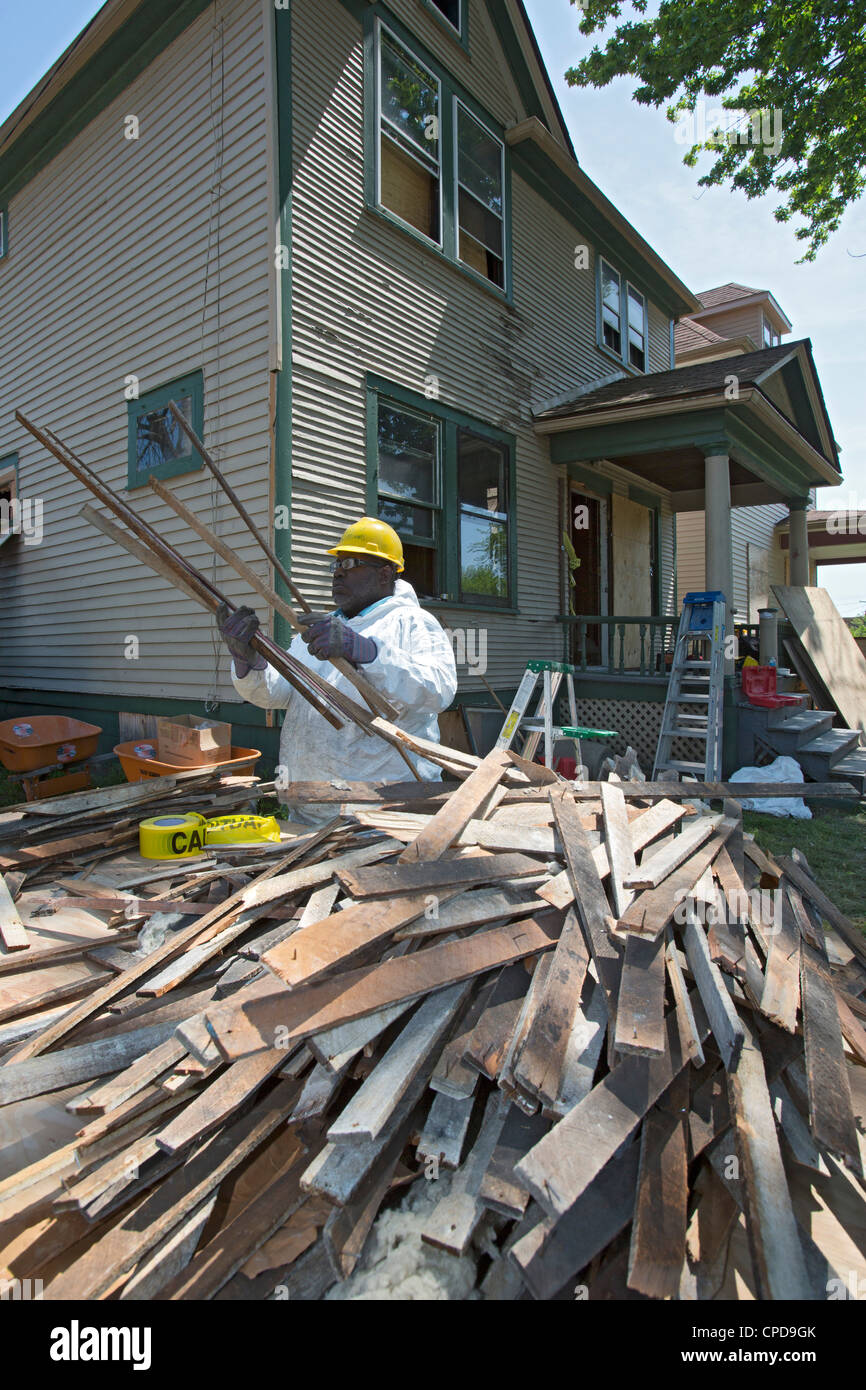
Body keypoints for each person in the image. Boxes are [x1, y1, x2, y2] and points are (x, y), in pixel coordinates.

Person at [217, 518, 458, 822]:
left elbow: (439, 690)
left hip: (382, 814)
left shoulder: (412, 623)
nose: (339, 571)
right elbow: (277, 693)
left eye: (352, 562)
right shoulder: (322, 630)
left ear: (385, 573)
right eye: (337, 563)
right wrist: (249, 661)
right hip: (308, 807)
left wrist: (367, 652)